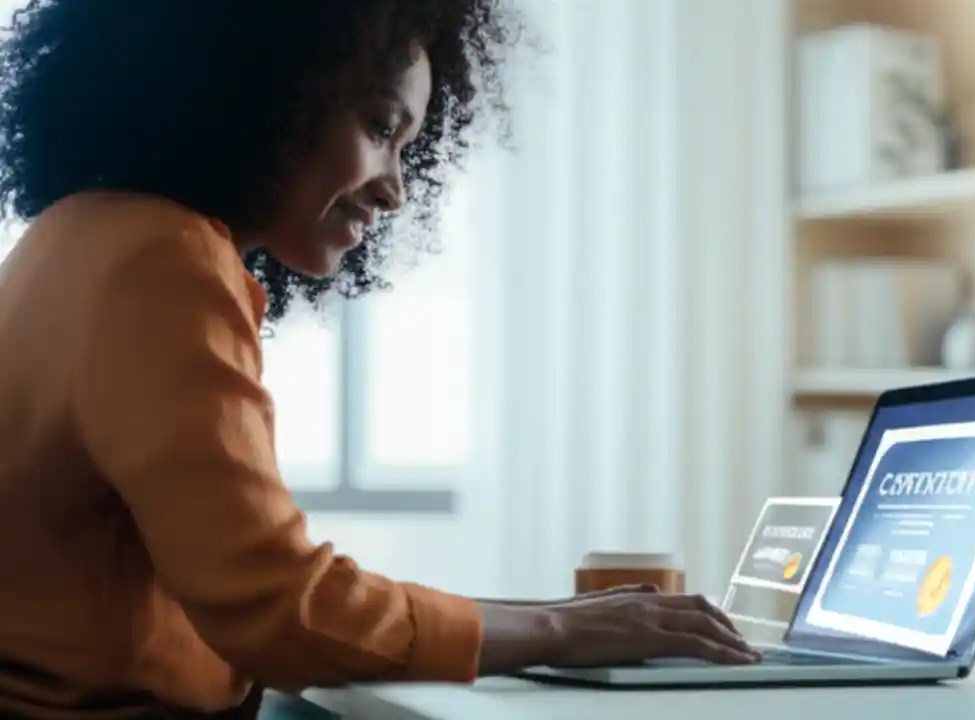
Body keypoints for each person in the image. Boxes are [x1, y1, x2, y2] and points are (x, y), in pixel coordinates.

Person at [0, 1, 759, 717]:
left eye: (406, 146)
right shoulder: (164, 263)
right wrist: (560, 633)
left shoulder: (76, 238)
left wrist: (557, 618)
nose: (396, 190)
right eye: (379, 127)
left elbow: (259, 594)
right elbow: (282, 610)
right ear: (272, 90)